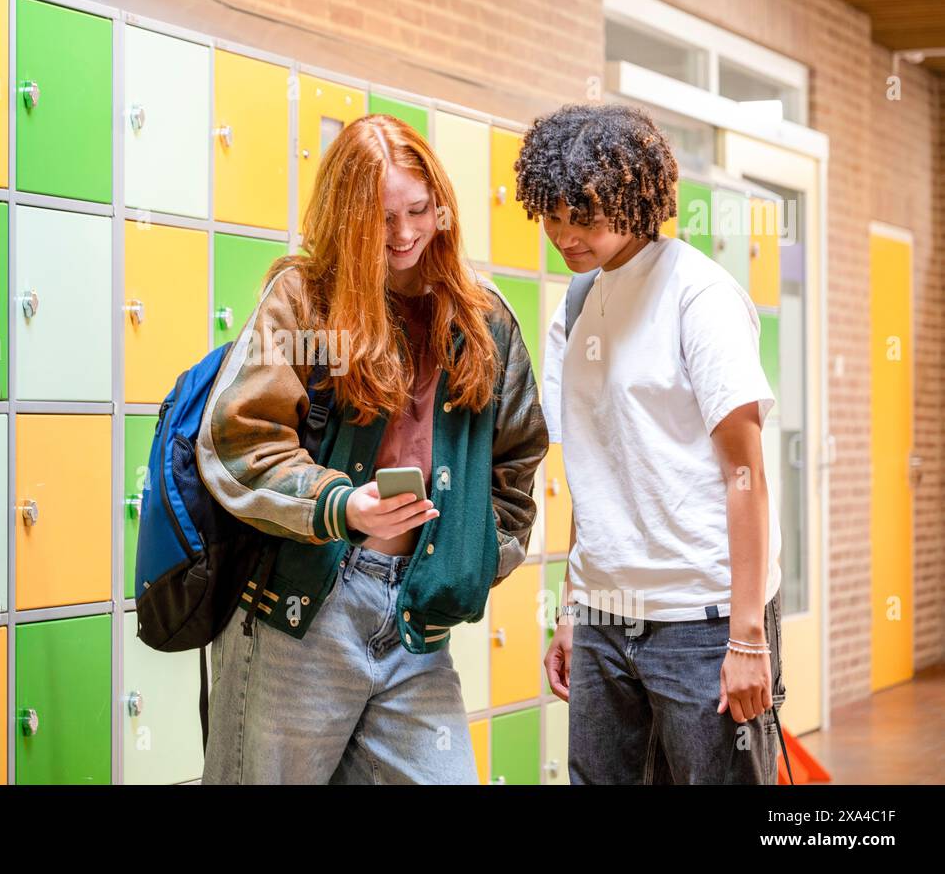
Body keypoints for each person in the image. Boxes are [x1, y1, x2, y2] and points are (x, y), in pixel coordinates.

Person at [195, 113, 548, 784]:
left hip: (417, 617)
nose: (406, 233)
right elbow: (241, 439)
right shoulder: (304, 299)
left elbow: (518, 459)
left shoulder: (486, 319)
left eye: (419, 210)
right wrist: (339, 504)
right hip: (301, 614)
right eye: (382, 219)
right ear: (345, 215)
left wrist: (474, 556)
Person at [528, 103, 785, 784]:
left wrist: (748, 637)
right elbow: (595, 470)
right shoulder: (577, 306)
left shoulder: (697, 295)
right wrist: (570, 609)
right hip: (605, 619)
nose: (564, 235)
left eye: (582, 215)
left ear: (633, 197)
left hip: (702, 623)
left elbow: (746, 476)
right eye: (552, 215)